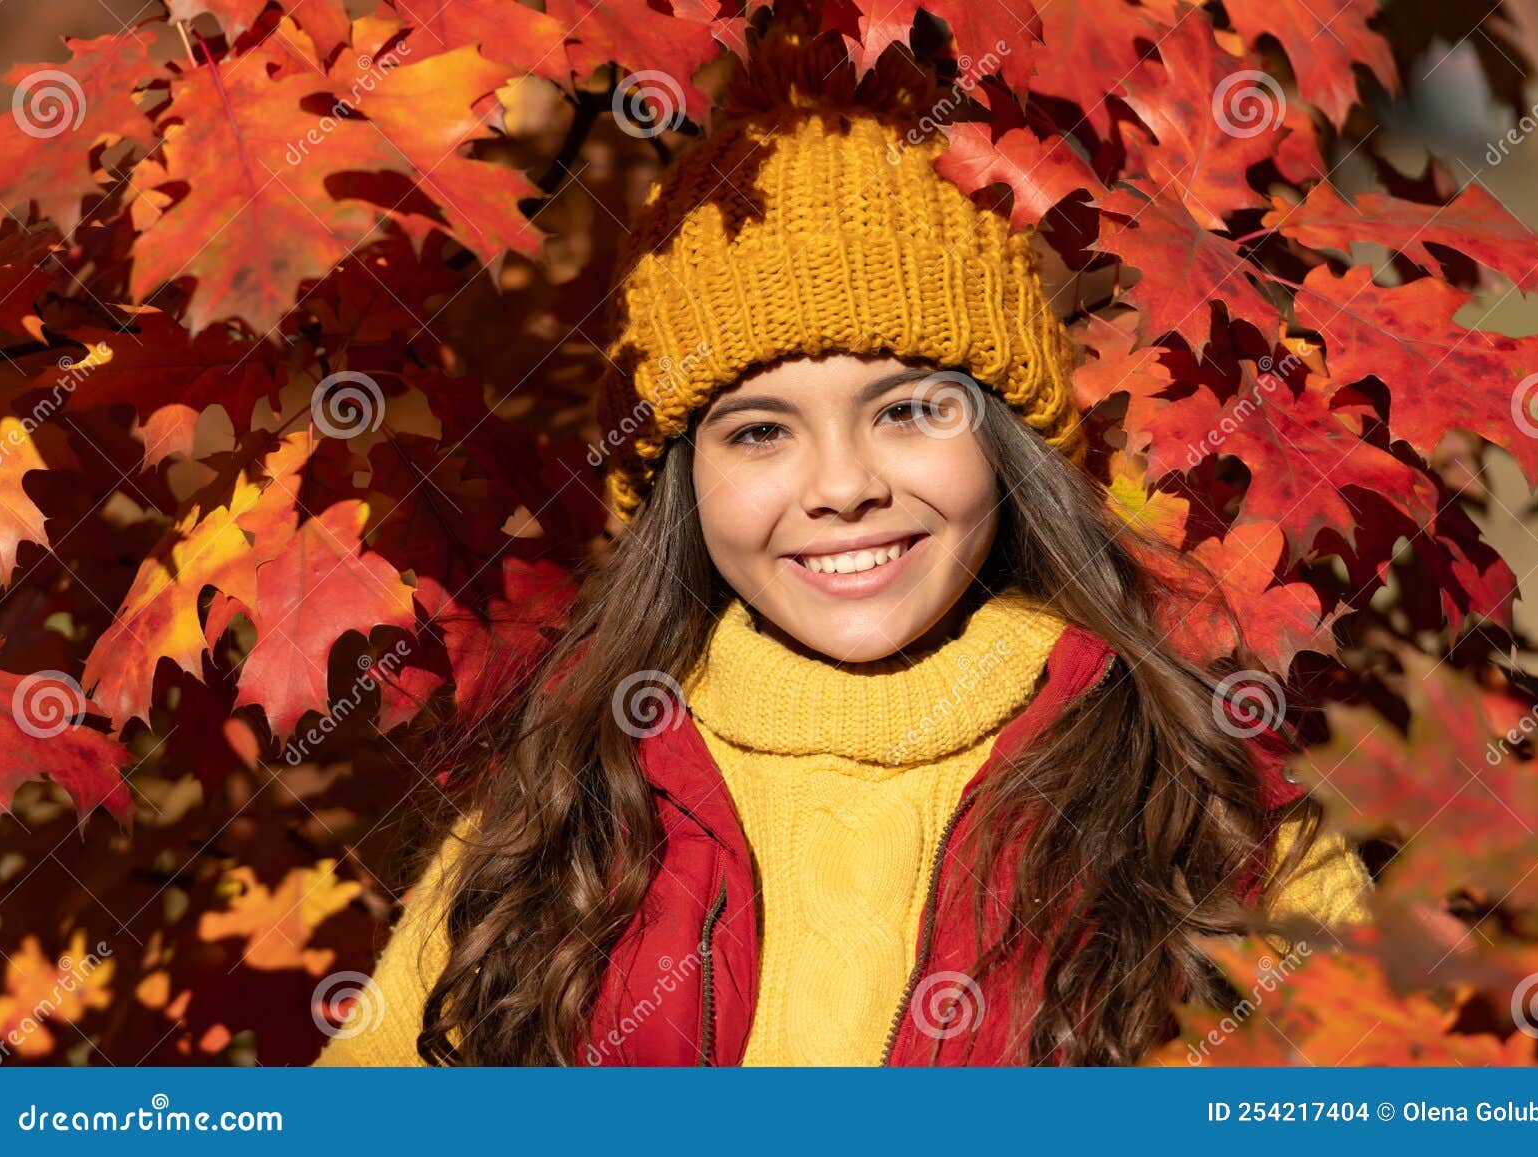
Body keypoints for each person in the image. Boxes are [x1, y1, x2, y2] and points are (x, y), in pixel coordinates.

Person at [314, 27, 1373, 1068]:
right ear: (679, 483)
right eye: (760, 430)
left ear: (1008, 443)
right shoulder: (560, 805)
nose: (843, 485)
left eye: (909, 409)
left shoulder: (1194, 804)